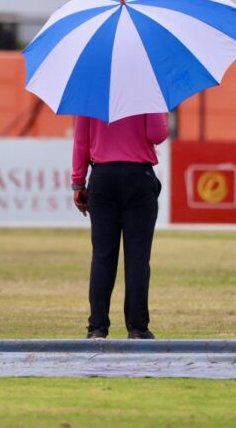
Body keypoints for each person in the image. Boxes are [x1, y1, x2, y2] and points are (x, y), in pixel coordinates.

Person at [72, 112, 169, 340]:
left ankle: (97, 327)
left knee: (103, 256)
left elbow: (81, 141)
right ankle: (137, 328)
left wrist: (78, 182)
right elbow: (157, 134)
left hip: (103, 177)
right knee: (137, 258)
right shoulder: (146, 88)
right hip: (139, 177)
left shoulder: (92, 89)